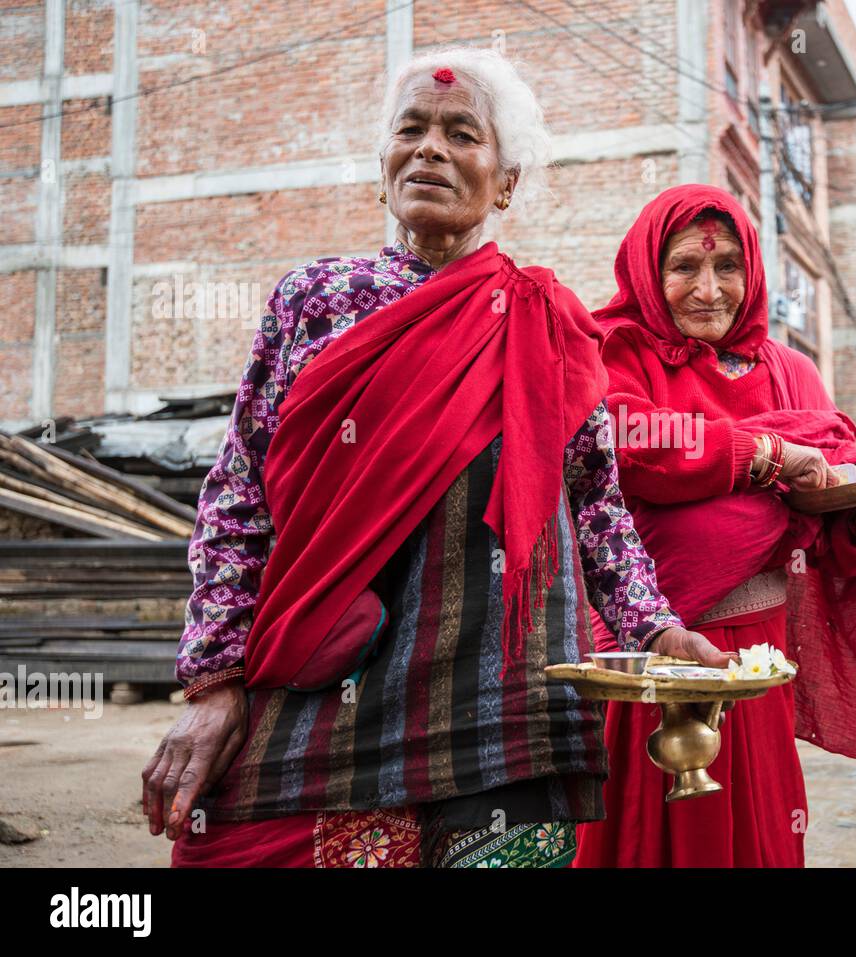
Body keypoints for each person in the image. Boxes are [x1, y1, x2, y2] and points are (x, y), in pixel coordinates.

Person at [141, 47, 726, 869]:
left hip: (507, 706)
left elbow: (598, 515)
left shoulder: (549, 327)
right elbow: (239, 496)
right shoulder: (316, 301)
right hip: (324, 683)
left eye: (461, 134)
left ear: (506, 180)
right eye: (409, 130)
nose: (429, 149)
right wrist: (214, 680)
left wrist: (659, 629)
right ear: (381, 168)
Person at [572, 184, 856, 868]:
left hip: (755, 662)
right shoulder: (615, 352)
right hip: (650, 652)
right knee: (649, 839)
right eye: (684, 266)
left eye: (727, 269)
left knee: (760, 836)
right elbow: (635, 450)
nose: (709, 289)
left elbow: (828, 520)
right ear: (647, 273)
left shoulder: (790, 372)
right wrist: (767, 452)